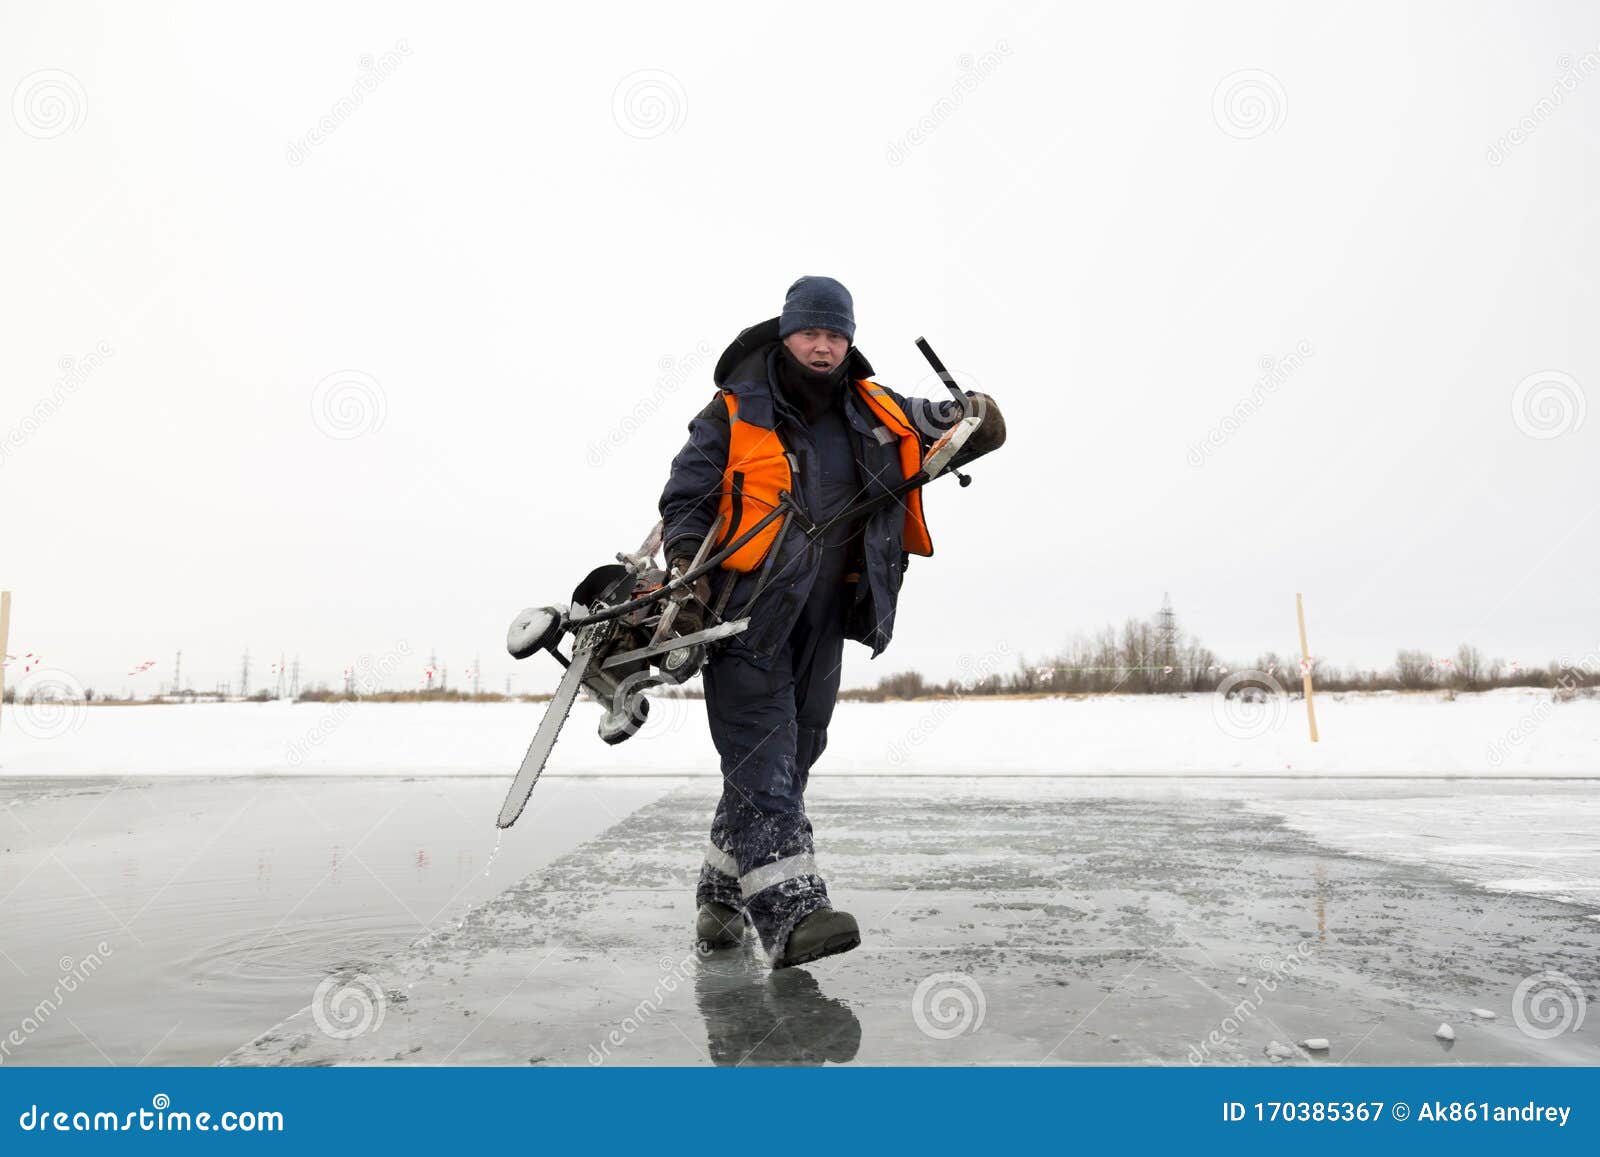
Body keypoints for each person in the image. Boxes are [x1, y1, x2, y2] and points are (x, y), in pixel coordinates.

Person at [657, 275, 1004, 968]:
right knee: (762, 757)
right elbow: (688, 499)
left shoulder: (876, 407)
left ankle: (720, 897)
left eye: (835, 334)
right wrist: (685, 579)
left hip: (828, 612)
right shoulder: (733, 411)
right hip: (742, 615)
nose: (823, 346)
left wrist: (980, 414)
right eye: (810, 332)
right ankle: (793, 914)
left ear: (850, 340)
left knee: (798, 749)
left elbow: (953, 426)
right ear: (784, 335)